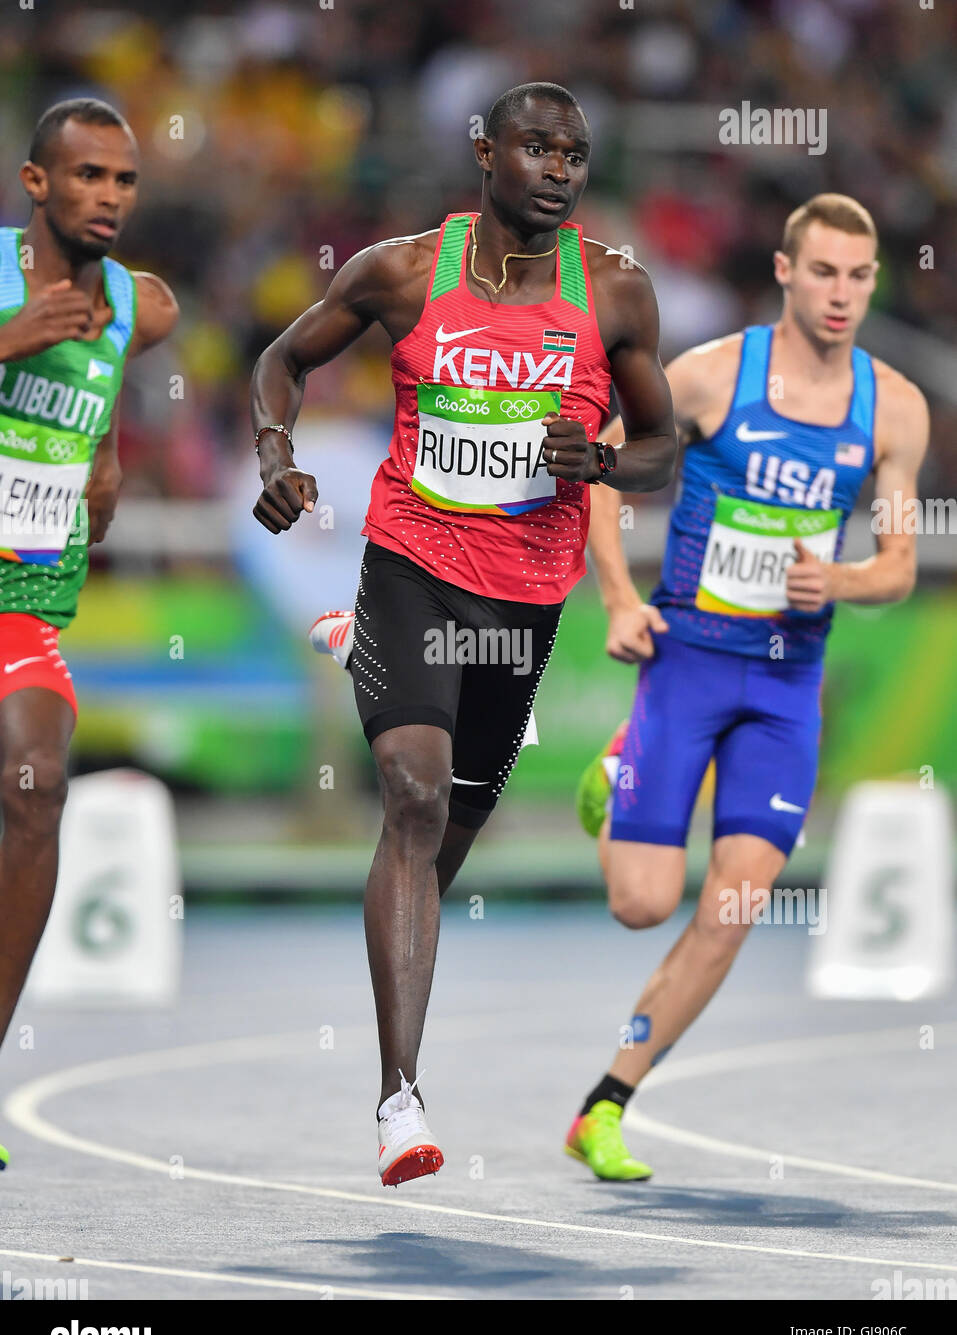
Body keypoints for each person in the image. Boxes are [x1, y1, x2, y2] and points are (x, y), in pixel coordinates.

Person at [251, 82, 677, 1186]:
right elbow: (283, 361)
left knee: (442, 848)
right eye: (537, 147)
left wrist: (607, 465)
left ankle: (362, 653)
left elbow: (665, 448)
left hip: (523, 601)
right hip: (410, 562)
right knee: (415, 793)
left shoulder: (617, 293)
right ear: (485, 151)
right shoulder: (402, 271)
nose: (559, 170)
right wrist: (273, 453)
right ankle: (400, 1095)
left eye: (577, 155)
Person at [565, 194, 929, 1181]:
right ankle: (617, 768)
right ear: (784, 270)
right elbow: (600, 471)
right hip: (687, 662)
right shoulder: (712, 378)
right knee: (643, 903)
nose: (843, 293)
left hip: (786, 688)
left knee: (734, 908)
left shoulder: (893, 406)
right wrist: (617, 598)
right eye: (825, 272)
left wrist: (842, 579)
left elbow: (898, 566)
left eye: (860, 276)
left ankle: (607, 1101)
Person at [0, 99, 179, 1170]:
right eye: (86, 177)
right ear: (36, 185)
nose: (108, 197)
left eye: (124, 180)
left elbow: (107, 374)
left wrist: (104, 453)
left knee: (38, 783)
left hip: (22, 596)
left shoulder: (139, 306)